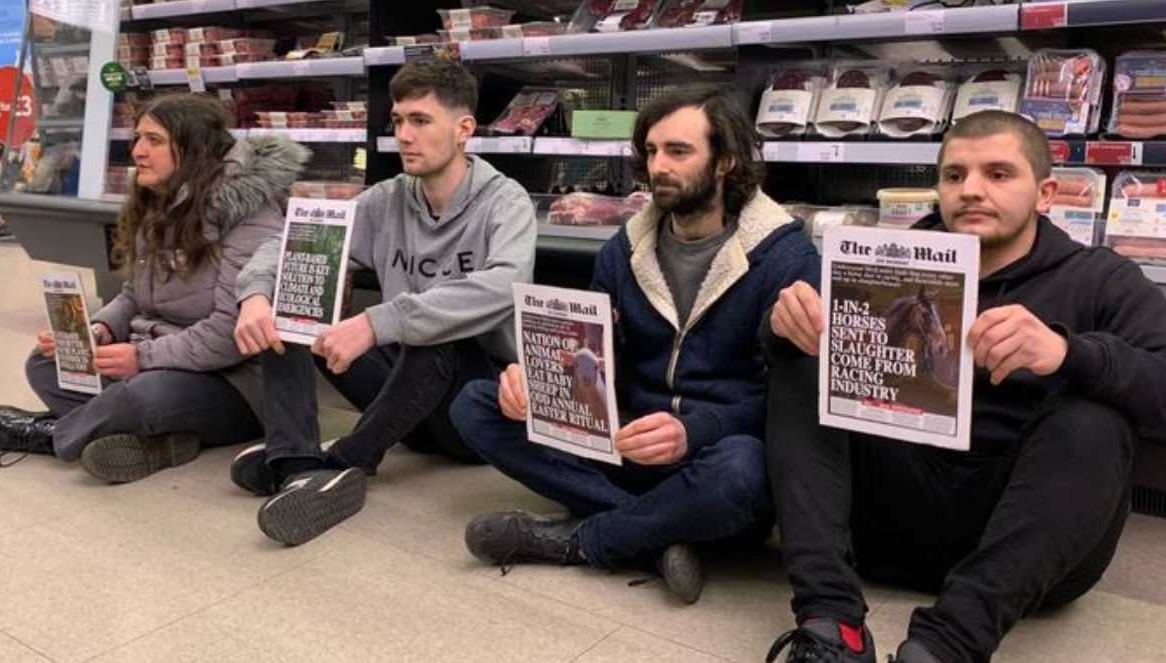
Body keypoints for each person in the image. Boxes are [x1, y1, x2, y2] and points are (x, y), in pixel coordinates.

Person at [763, 110, 1166, 663]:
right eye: (954, 176)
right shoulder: (880, 259)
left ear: (1045, 192)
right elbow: (791, 364)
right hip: (886, 523)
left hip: (1026, 546)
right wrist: (784, 327)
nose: (971, 190)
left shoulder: (1101, 277)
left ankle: (946, 646)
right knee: (800, 361)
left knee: (1095, 412)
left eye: (998, 174)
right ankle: (831, 625)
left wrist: (1071, 354)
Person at [450, 85, 819, 604]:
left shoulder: (785, 259)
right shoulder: (624, 251)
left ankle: (585, 540)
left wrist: (693, 430)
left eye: (679, 151)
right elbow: (593, 359)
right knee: (476, 405)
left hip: (710, 455)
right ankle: (654, 534)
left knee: (746, 468)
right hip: (626, 442)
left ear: (725, 162)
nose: (658, 166)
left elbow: (791, 398)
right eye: (651, 151)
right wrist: (538, 382)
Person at [231, 57, 537, 547]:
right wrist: (255, 296)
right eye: (398, 121)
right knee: (298, 300)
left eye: (420, 121)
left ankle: (346, 462)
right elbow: (295, 242)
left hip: (475, 411)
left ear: (463, 129)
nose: (405, 135)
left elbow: (503, 287)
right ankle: (297, 460)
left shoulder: (506, 202)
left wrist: (379, 322)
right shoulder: (386, 198)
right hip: (405, 402)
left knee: (433, 332)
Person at [0, 93, 309, 483]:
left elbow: (229, 334)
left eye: (154, 140)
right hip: (157, 361)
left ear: (192, 147)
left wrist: (141, 357)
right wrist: (99, 330)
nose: (137, 151)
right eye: (137, 138)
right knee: (43, 364)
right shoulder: (160, 202)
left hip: (235, 383)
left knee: (141, 395)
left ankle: (51, 435)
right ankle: (163, 441)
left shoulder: (250, 215)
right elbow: (133, 295)